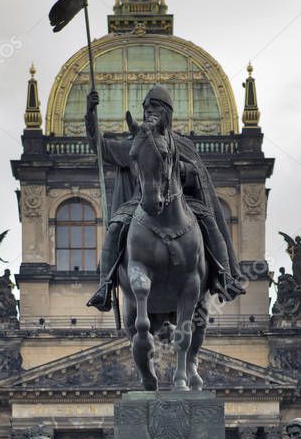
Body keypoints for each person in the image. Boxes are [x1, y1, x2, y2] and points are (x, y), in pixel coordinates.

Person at [84, 85, 245, 311]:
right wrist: (90, 114)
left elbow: (197, 174)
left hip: (183, 203)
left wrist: (177, 169)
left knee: (209, 222)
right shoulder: (137, 142)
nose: (150, 111)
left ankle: (224, 277)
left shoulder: (183, 145)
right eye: (147, 108)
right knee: (115, 227)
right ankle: (105, 287)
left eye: (156, 107)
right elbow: (99, 146)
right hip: (140, 204)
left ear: (167, 113)